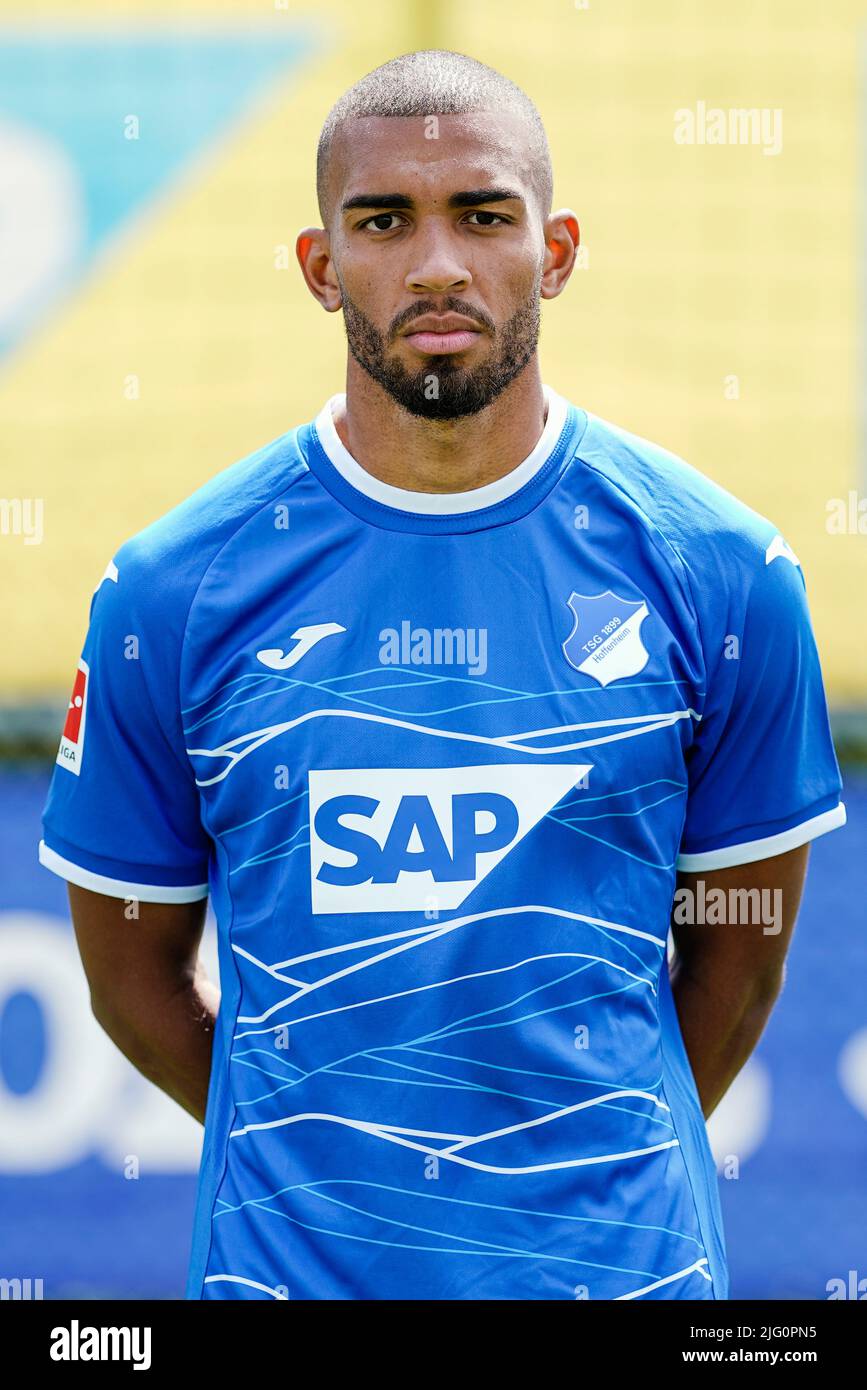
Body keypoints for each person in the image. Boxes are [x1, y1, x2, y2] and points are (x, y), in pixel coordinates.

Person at [38, 49, 846, 1301]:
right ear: (321, 267)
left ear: (558, 250)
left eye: (483, 214)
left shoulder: (725, 574)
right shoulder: (169, 592)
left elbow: (740, 965)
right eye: (381, 220)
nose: (435, 266)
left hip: (626, 1279)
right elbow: (128, 977)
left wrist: (560, 1178)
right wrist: (328, 1167)